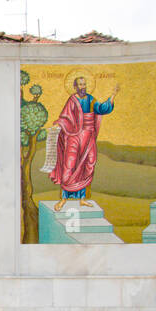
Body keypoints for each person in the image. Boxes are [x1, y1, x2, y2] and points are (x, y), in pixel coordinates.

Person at [49, 75, 120, 211]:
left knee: (89, 163)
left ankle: (82, 199)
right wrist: (58, 125)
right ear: (75, 87)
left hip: (88, 136)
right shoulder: (72, 100)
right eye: (80, 85)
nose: (83, 87)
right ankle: (64, 198)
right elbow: (65, 117)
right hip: (74, 136)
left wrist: (113, 96)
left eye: (84, 84)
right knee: (69, 164)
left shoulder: (91, 99)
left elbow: (101, 109)